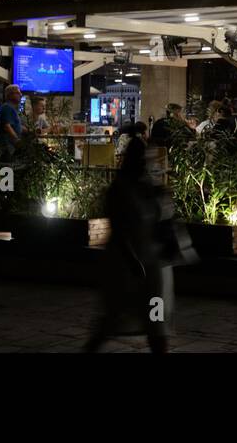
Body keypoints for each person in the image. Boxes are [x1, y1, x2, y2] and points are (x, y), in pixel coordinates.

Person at [85, 138, 174, 354]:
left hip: (151, 266)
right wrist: (133, 261)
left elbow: (163, 221)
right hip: (126, 265)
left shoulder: (149, 187)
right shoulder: (120, 189)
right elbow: (118, 228)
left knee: (156, 320)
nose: (144, 163)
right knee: (114, 316)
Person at [0, 84, 25, 160]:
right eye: (18, 93)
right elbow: (7, 126)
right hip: (6, 148)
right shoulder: (7, 108)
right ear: (10, 95)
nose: (20, 95)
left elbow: (17, 126)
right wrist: (17, 141)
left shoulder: (12, 109)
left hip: (10, 147)